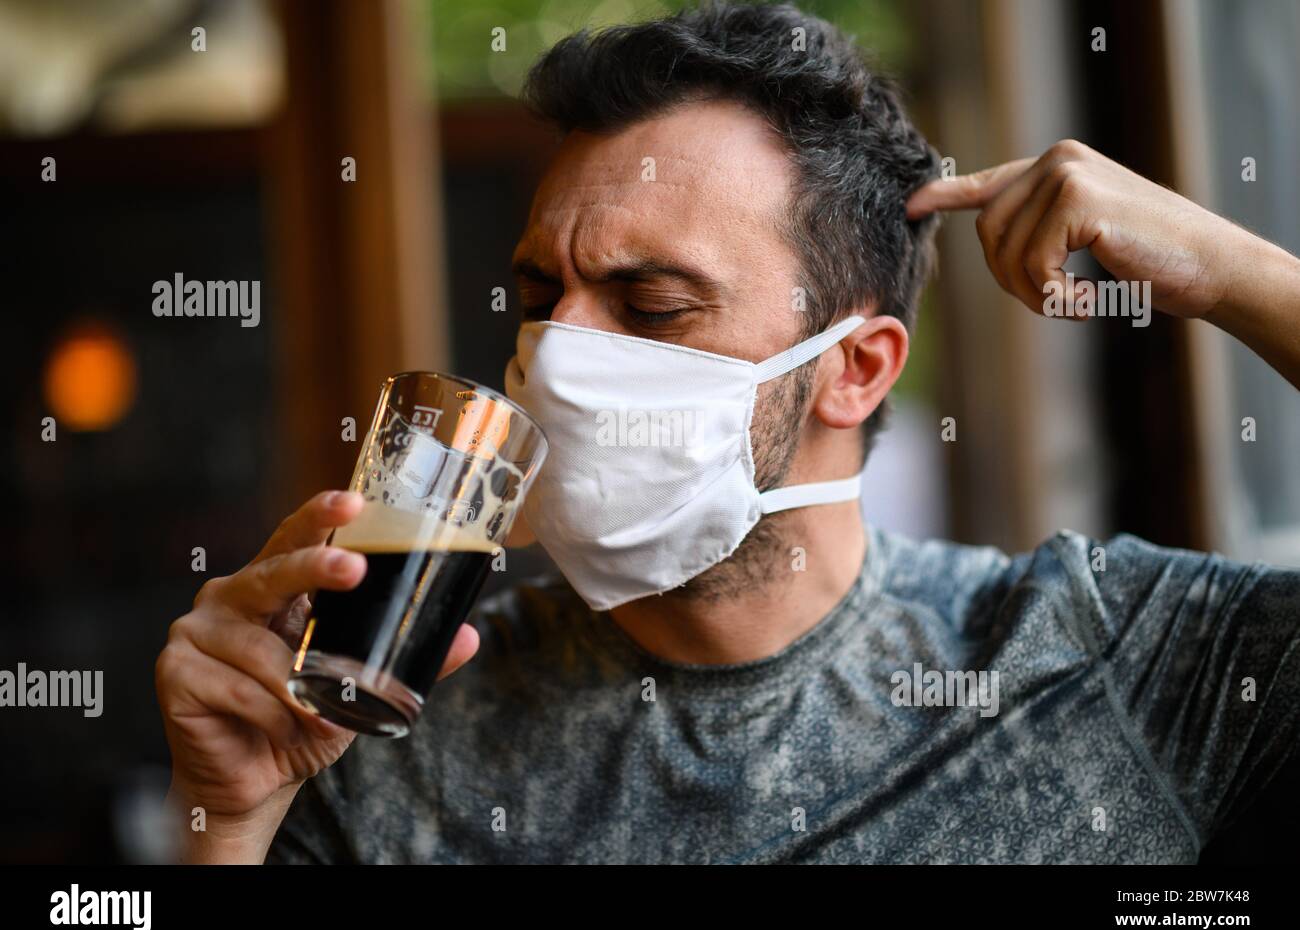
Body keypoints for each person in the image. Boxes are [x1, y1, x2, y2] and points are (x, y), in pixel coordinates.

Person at [156, 1, 1300, 863]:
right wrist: (229, 821)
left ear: (853, 370)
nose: (557, 356)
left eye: (651, 308)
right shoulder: (384, 719)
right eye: (539, 299)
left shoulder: (1102, 657)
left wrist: (1243, 274)